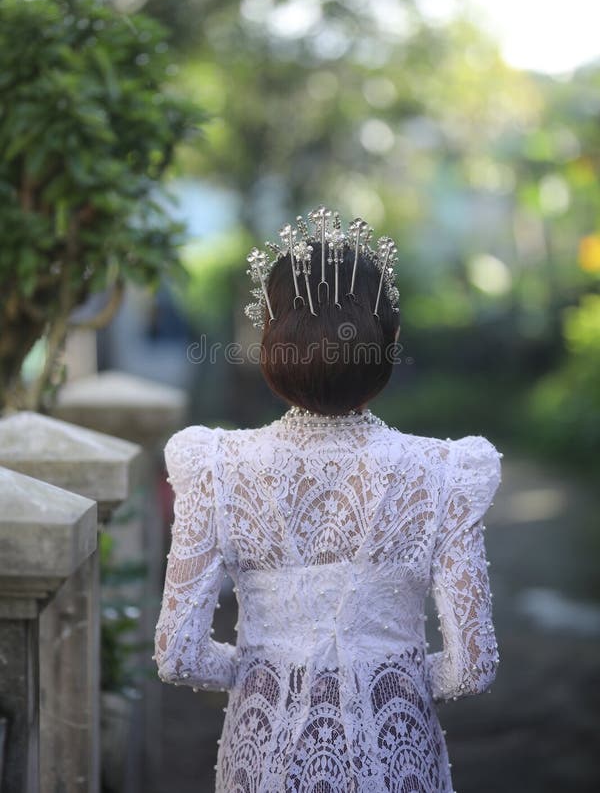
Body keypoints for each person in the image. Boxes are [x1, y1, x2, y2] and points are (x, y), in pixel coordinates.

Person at [153, 207, 503, 792]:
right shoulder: (446, 472)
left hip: (264, 753)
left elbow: (178, 655)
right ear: (389, 343)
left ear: (271, 341)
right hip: (396, 755)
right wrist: (389, 673)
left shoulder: (215, 465)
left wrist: (267, 669)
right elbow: (473, 667)